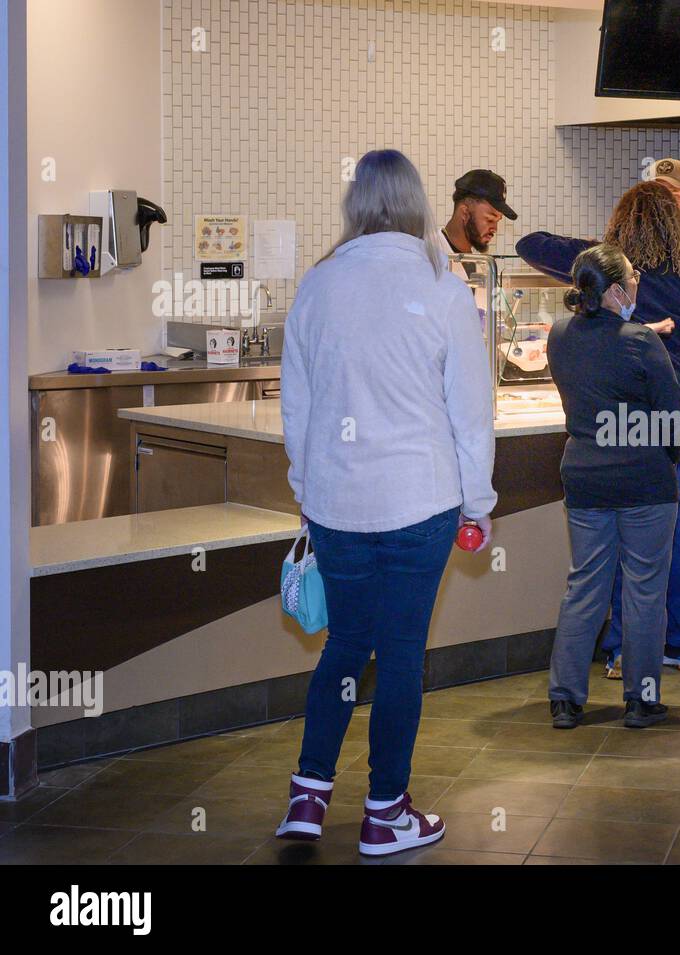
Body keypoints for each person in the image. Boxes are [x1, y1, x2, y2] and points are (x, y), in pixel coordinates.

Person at [276, 149, 497, 856]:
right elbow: (471, 408)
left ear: (355, 204)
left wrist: (308, 491)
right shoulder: (441, 283)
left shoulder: (318, 284)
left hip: (337, 502)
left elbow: (298, 406)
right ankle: (385, 813)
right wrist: (477, 501)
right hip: (420, 499)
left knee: (345, 643)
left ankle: (308, 798)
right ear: (419, 203)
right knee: (401, 654)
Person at [517, 181, 680, 678]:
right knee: (679, 521)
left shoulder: (611, 266)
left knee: (626, 529)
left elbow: (529, 244)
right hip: (679, 407)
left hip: (621, 410)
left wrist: (593, 250)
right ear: (675, 223)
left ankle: (625, 650)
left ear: (620, 222)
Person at [545, 244, 680, 730]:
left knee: (584, 584)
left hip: (584, 476)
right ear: (615, 289)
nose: (637, 285)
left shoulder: (560, 333)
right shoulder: (641, 339)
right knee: (645, 590)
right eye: (633, 278)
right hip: (644, 481)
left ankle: (564, 698)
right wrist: (663, 463)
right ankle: (641, 700)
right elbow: (673, 421)